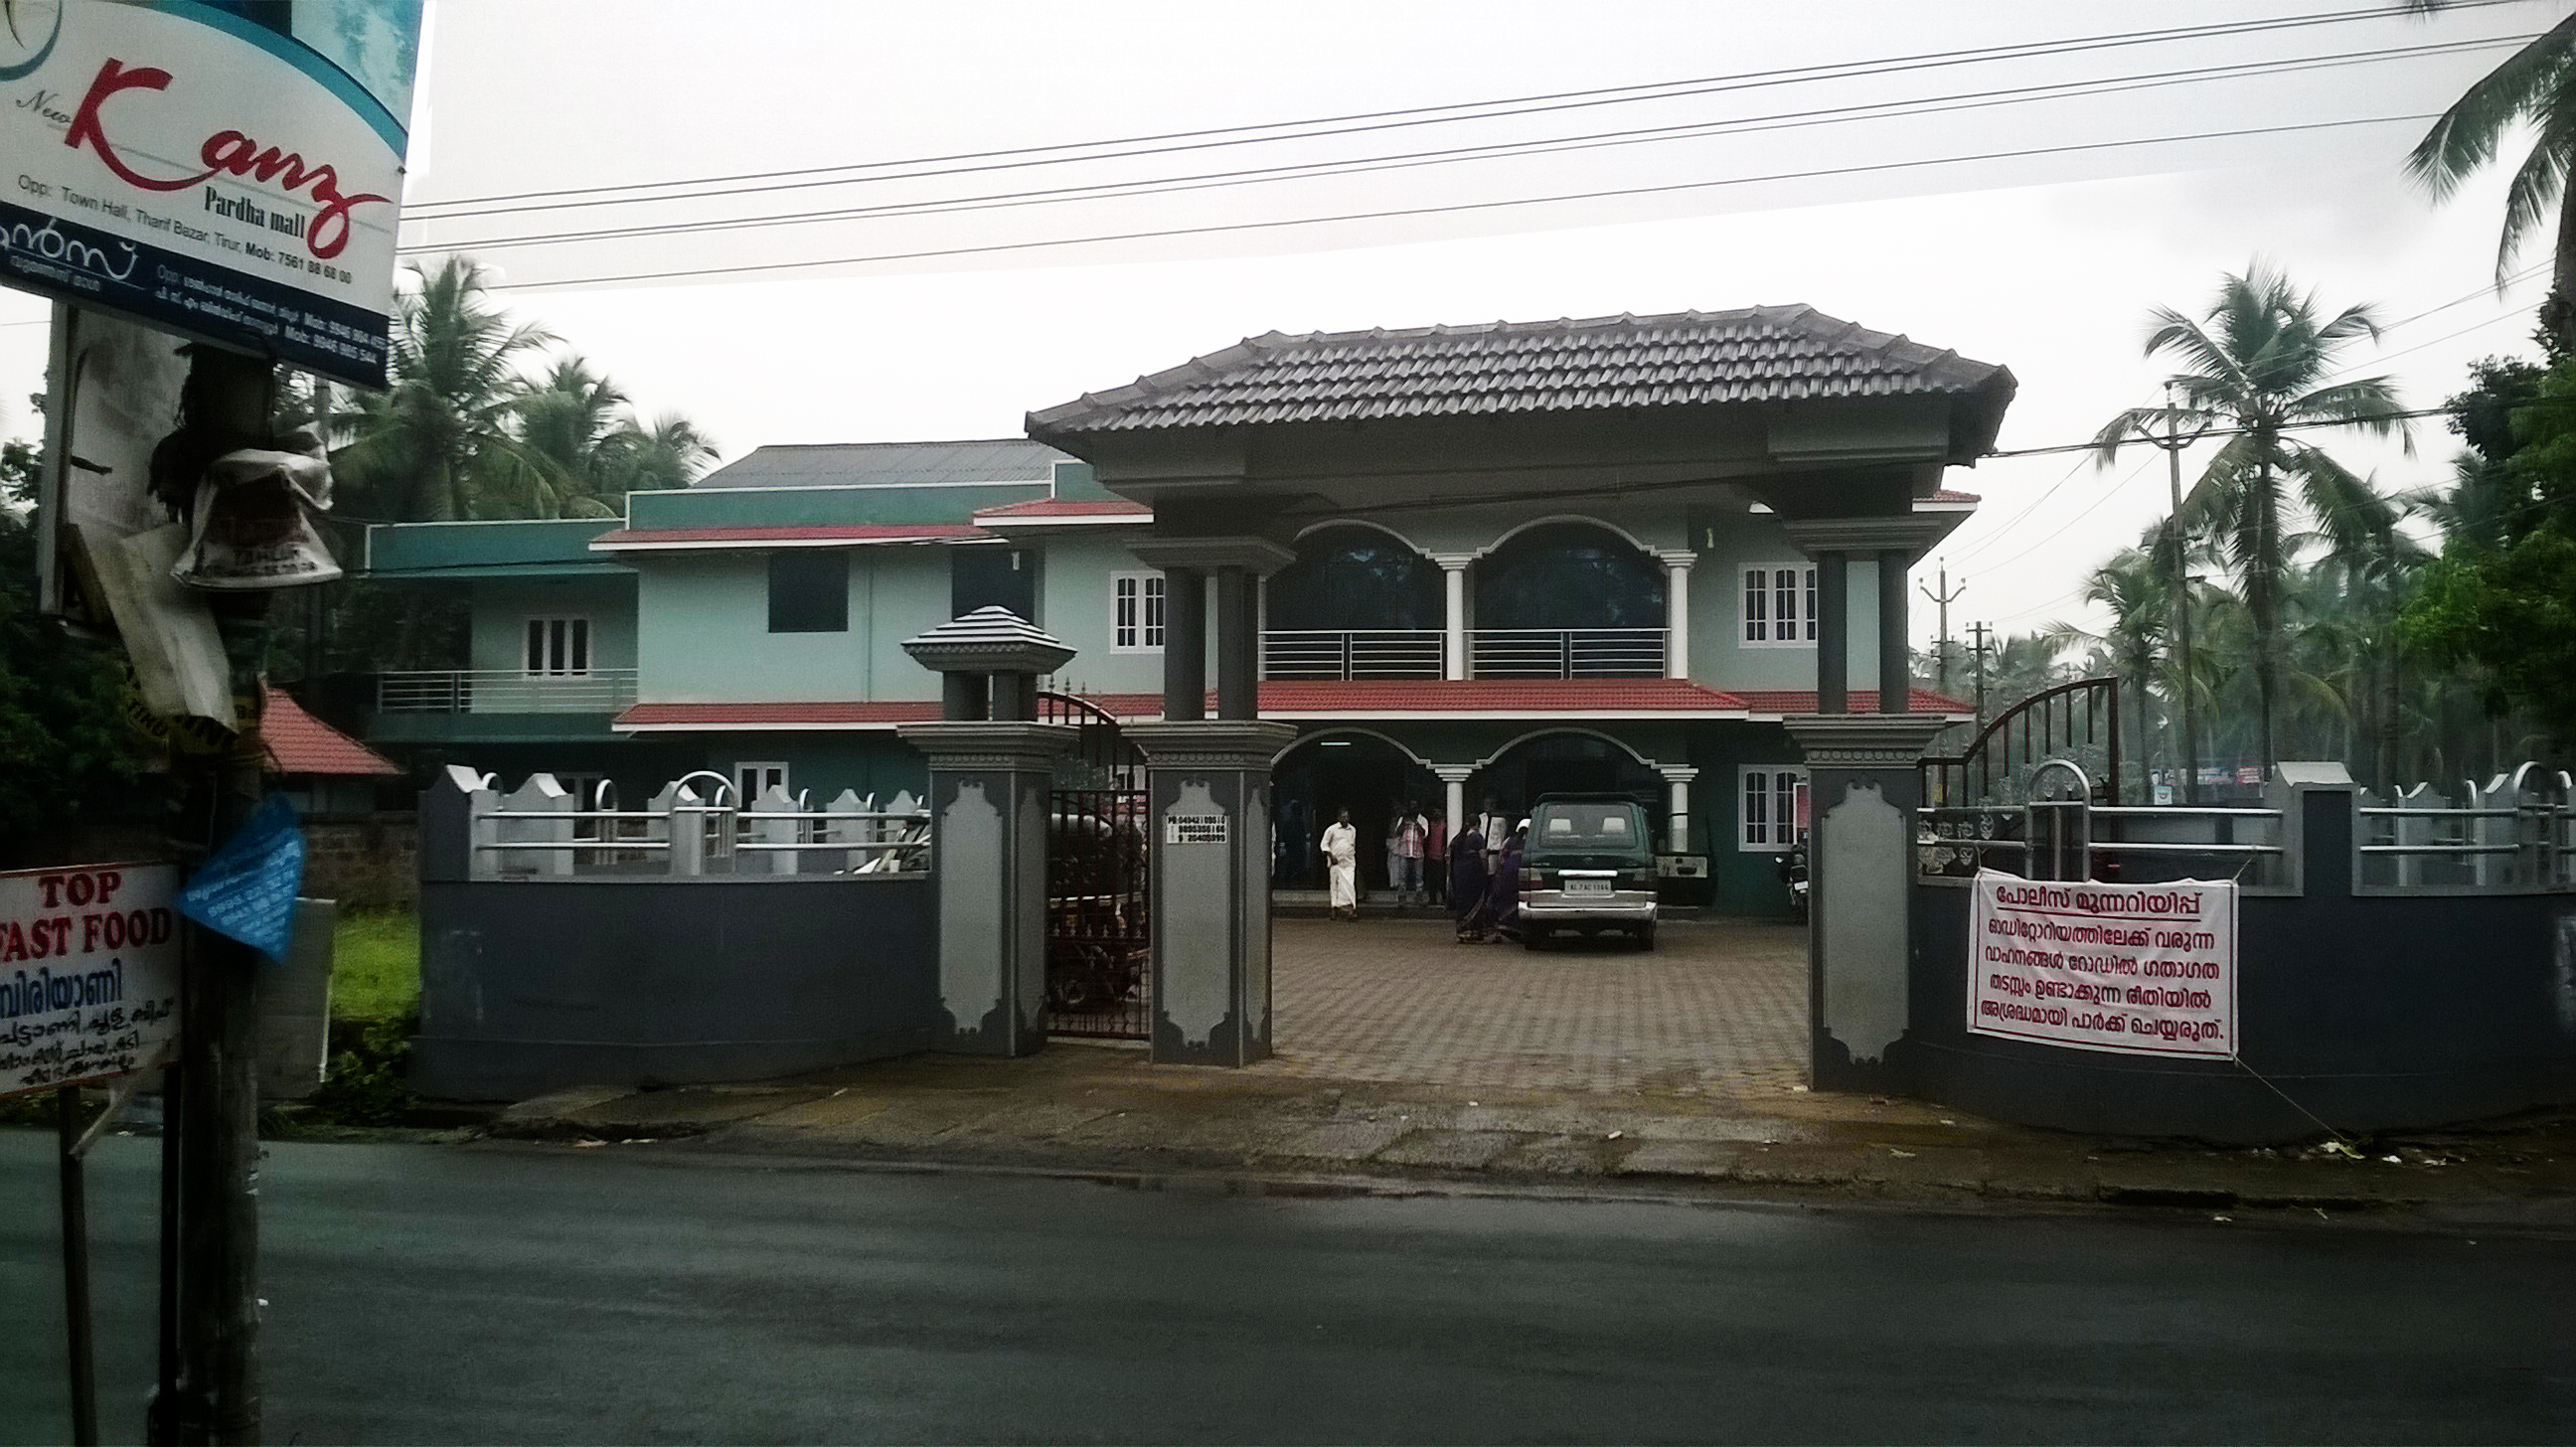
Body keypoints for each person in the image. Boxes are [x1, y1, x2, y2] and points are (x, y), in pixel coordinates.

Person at [1448, 819, 1490, 942]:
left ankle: (1462, 932)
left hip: (1459, 873)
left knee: (1463, 901)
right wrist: (1485, 871)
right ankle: (1474, 932)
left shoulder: (1457, 838)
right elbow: (1483, 857)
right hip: (1473, 873)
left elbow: (1450, 856)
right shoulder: (1477, 837)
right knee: (1474, 901)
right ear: (1477, 824)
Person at [1490, 820, 1529, 942]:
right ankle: (1518, 929)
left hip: (1507, 874)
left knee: (1506, 900)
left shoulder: (1509, 841)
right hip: (1522, 874)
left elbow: (1502, 858)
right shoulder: (1530, 842)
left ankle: (1505, 926)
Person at [1320, 807, 1360, 920]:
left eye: (1347, 817)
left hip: (1348, 863)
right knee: (1335, 886)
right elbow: (1324, 845)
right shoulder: (1332, 829)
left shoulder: (1352, 830)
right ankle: (1334, 908)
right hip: (1336, 862)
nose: (1345, 819)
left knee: (1349, 885)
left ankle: (1351, 910)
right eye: (1343, 817)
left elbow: (1352, 845)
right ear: (1338, 818)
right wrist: (1331, 856)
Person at [1391, 800, 1429, 906]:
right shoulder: (1403, 819)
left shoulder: (1422, 820)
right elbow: (1397, 832)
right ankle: (1402, 899)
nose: (1413, 810)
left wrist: (1415, 821)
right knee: (1402, 877)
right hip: (1404, 851)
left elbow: (1424, 833)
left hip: (1418, 852)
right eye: (1411, 808)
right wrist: (1404, 820)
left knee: (1419, 877)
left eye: (1415, 808)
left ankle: (1419, 898)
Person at [1424, 809, 1448, 906]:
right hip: (1430, 855)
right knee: (1431, 880)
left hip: (1441, 856)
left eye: (1438, 812)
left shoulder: (1445, 825)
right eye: (1435, 812)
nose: (1436, 814)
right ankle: (1432, 899)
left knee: (1441, 879)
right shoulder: (1430, 825)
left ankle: (1444, 898)